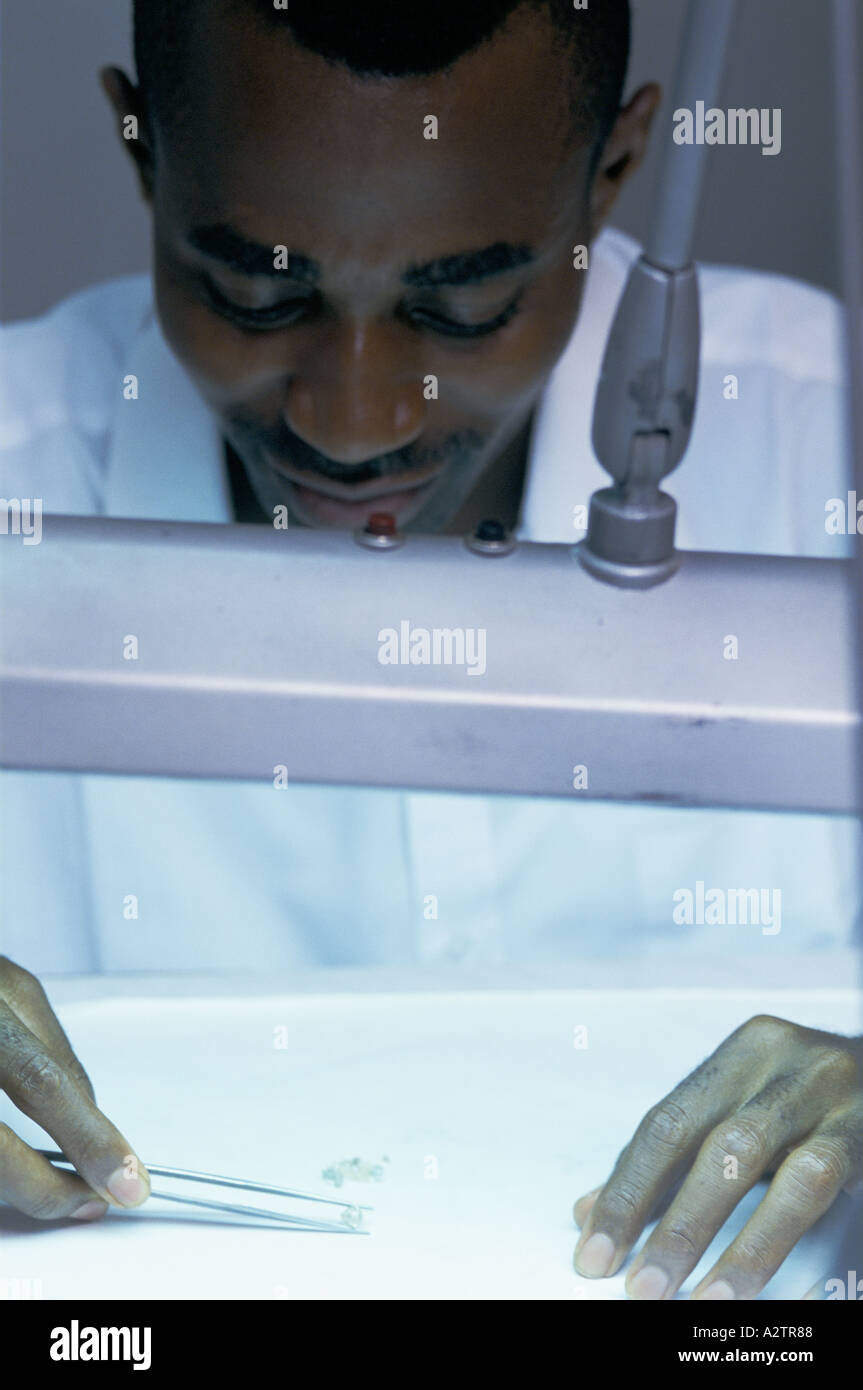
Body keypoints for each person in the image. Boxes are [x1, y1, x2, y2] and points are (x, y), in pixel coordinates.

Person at [0, 0, 860, 1300]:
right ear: (142, 150)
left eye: (464, 309)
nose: (351, 422)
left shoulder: (823, 446)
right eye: (256, 290)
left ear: (615, 174)